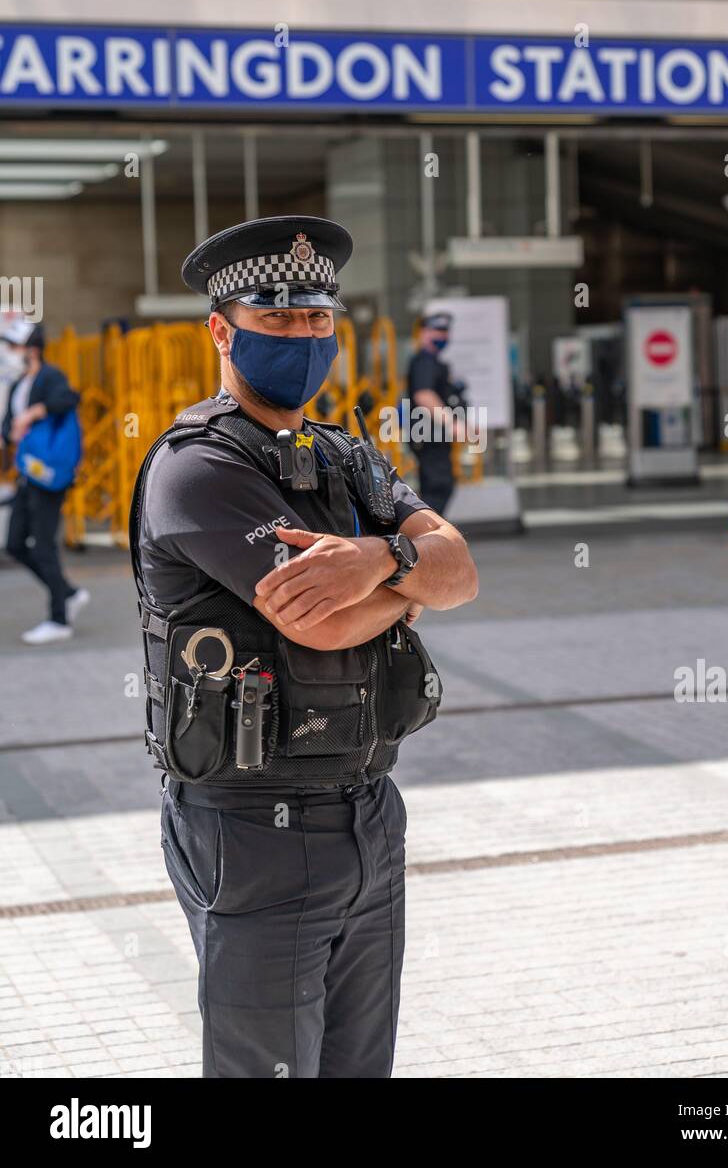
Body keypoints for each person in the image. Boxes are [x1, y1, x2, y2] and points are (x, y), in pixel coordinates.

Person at [131, 215, 478, 1079]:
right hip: (253, 828)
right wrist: (406, 588)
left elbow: (461, 569)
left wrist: (378, 560)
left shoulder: (343, 456)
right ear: (222, 328)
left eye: (319, 319)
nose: (304, 336)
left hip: (369, 815)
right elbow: (314, 622)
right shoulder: (198, 468)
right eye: (277, 318)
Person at [0, 319, 89, 644]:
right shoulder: (18, 383)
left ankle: (59, 619)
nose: (9, 352)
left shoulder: (50, 376)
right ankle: (66, 591)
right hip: (28, 472)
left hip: (49, 473)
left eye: (13, 346)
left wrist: (33, 412)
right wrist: (12, 428)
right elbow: (9, 425)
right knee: (15, 543)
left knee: (43, 543)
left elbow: (68, 399)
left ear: (31, 348)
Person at [406, 312, 466, 515]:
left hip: (435, 436)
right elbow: (424, 395)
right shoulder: (425, 362)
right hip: (429, 435)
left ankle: (426, 535)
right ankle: (427, 536)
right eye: (436, 331)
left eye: (444, 332)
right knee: (439, 486)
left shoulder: (434, 362)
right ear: (423, 333)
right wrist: (452, 423)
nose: (441, 336)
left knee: (436, 486)